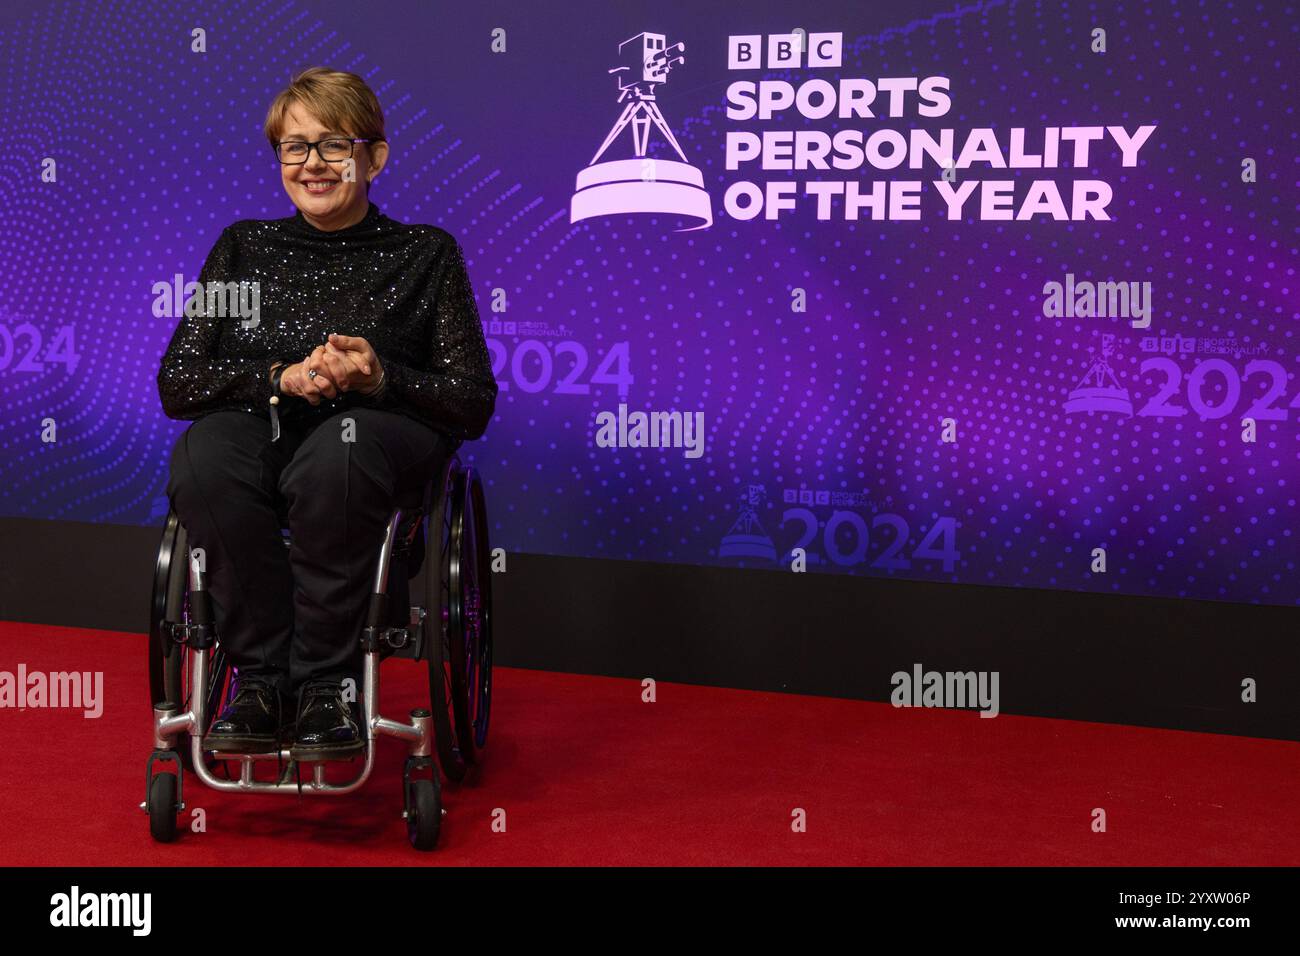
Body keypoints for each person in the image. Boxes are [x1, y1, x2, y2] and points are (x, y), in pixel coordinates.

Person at [157, 67, 497, 761]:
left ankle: (326, 685)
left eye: (334, 145)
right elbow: (179, 382)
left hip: (377, 438)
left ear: (374, 158)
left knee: (338, 452)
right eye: (294, 146)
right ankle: (261, 678)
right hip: (268, 423)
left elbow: (472, 400)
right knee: (203, 457)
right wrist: (278, 376)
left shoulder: (424, 254)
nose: (312, 164)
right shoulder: (244, 248)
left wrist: (380, 378)